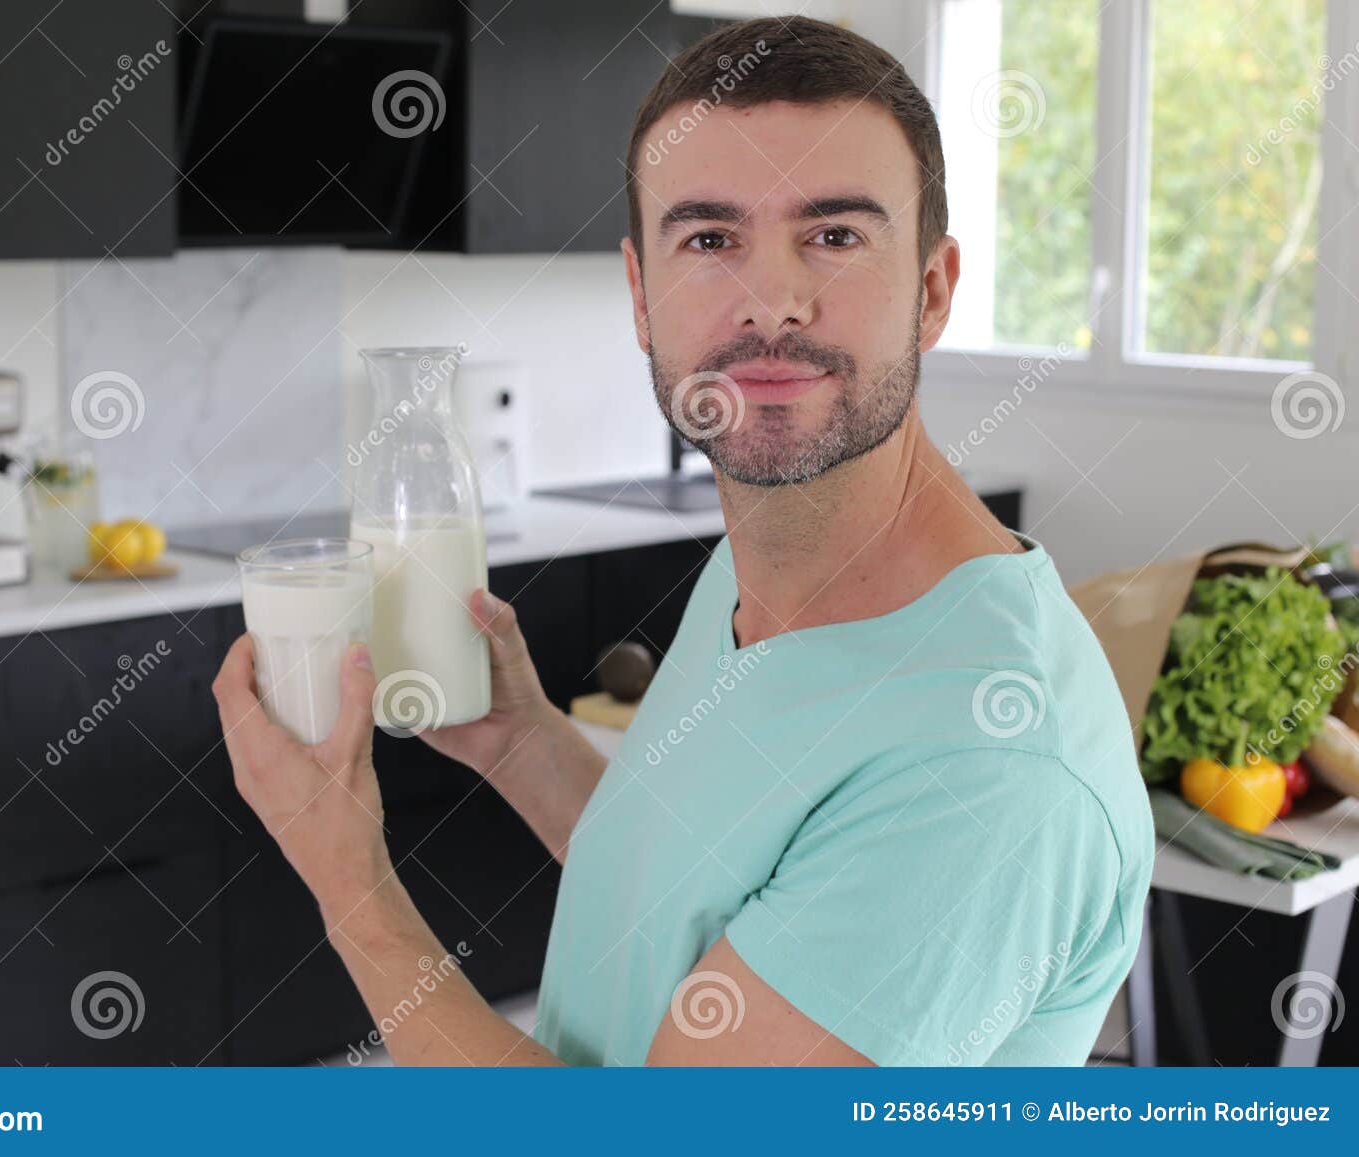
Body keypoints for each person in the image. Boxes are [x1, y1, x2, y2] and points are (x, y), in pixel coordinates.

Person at [213, 14, 1153, 1066]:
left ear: (932, 289)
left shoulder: (985, 764)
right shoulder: (759, 571)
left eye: (834, 235)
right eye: (709, 238)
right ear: (640, 295)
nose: (769, 301)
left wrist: (348, 879)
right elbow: (693, 888)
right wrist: (522, 742)